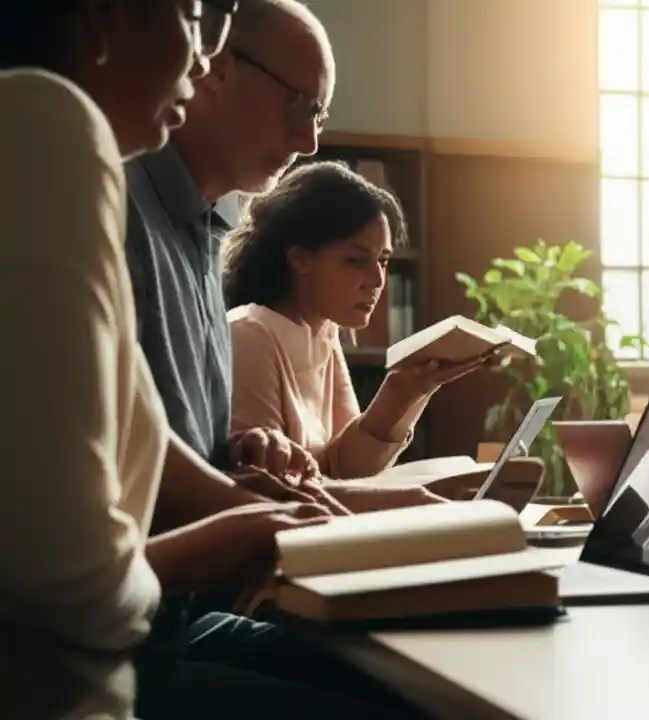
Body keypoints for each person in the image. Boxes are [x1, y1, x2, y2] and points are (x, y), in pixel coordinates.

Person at [0, 1, 324, 717]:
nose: (203, 58)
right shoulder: (44, 118)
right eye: (192, 16)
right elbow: (69, 588)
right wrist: (228, 542)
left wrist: (279, 520)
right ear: (103, 20)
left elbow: (149, 435)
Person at [124, 0, 434, 519]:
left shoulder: (205, 235)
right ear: (216, 67)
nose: (310, 140)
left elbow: (197, 464)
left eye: (319, 116)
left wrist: (247, 456)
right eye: (301, 106)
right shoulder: (118, 204)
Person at [223, 161, 486, 479]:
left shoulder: (323, 332)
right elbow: (270, 488)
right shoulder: (249, 335)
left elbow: (345, 469)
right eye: (355, 260)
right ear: (300, 257)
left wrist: (405, 390)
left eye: (384, 261)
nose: (377, 280)